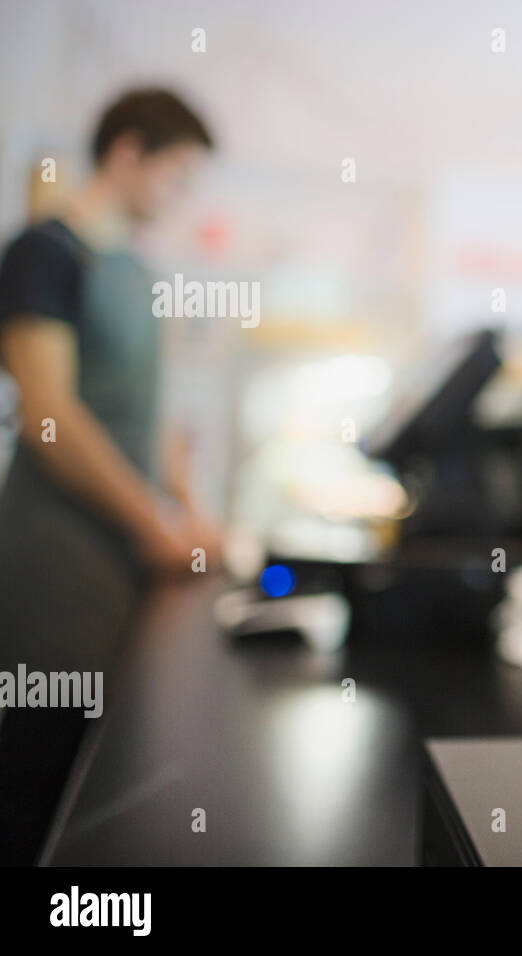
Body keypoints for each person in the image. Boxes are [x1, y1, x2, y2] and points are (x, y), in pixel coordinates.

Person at [0, 88, 222, 863]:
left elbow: (147, 416)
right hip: (55, 554)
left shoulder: (134, 267)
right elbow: (48, 416)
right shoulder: (45, 252)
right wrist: (152, 522)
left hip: (124, 550)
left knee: (97, 773)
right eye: (176, 176)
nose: (179, 197)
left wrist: (191, 512)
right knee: (36, 773)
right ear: (127, 152)